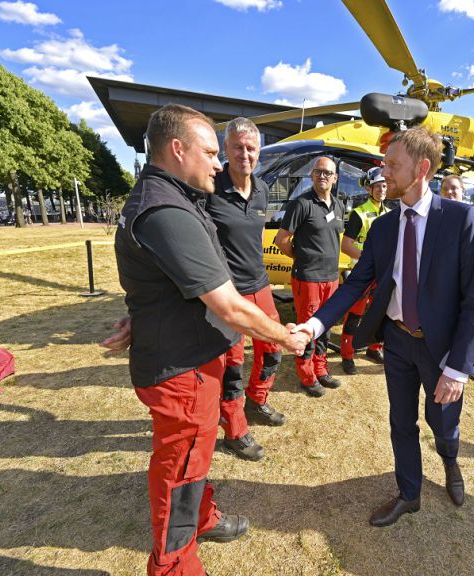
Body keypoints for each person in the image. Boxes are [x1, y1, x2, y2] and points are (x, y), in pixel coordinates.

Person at [106, 104, 308, 576]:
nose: (219, 164)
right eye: (211, 152)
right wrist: (287, 336)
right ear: (177, 149)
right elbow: (230, 307)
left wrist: (142, 314)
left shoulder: (172, 197)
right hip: (184, 369)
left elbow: (164, 278)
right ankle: (174, 564)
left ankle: (203, 517)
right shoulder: (166, 211)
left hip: (191, 357)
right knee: (179, 473)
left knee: (193, 459)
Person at [294, 127, 474, 526]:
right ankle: (409, 494)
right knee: (401, 422)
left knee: (443, 424)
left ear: (422, 168)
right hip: (398, 341)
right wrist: (314, 326)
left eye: (392, 165)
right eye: (384, 164)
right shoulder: (384, 227)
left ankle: (450, 460)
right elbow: (355, 285)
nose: (384, 172)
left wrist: (457, 369)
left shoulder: (461, 219)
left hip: (442, 349)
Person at [206, 118, 286, 462]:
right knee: (232, 366)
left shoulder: (262, 189)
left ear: (259, 152)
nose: (245, 154)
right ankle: (234, 430)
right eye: (237, 147)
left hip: (260, 285)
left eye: (251, 148)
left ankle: (257, 400)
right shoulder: (210, 187)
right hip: (227, 293)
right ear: (226, 149)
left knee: (273, 349)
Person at [274, 156, 346, 397]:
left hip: (331, 278)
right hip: (308, 278)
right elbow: (282, 240)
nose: (322, 176)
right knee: (307, 328)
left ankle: (321, 369)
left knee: (325, 326)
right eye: (318, 171)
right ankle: (307, 376)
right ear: (312, 175)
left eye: (328, 173)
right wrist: (302, 257)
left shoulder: (338, 205)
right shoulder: (301, 203)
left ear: (335, 178)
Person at [339, 166, 388, 375]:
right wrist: (369, 258)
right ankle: (347, 355)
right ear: (369, 189)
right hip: (361, 274)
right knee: (354, 317)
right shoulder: (358, 214)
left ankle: (374, 348)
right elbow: (346, 246)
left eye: (384, 186)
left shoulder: (389, 213)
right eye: (377, 186)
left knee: (379, 314)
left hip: (382, 275)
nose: (382, 190)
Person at [440, 173, 474, 257]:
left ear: (463, 190)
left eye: (454, 188)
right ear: (441, 193)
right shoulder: (436, 215)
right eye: (445, 189)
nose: (449, 192)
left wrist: (472, 260)